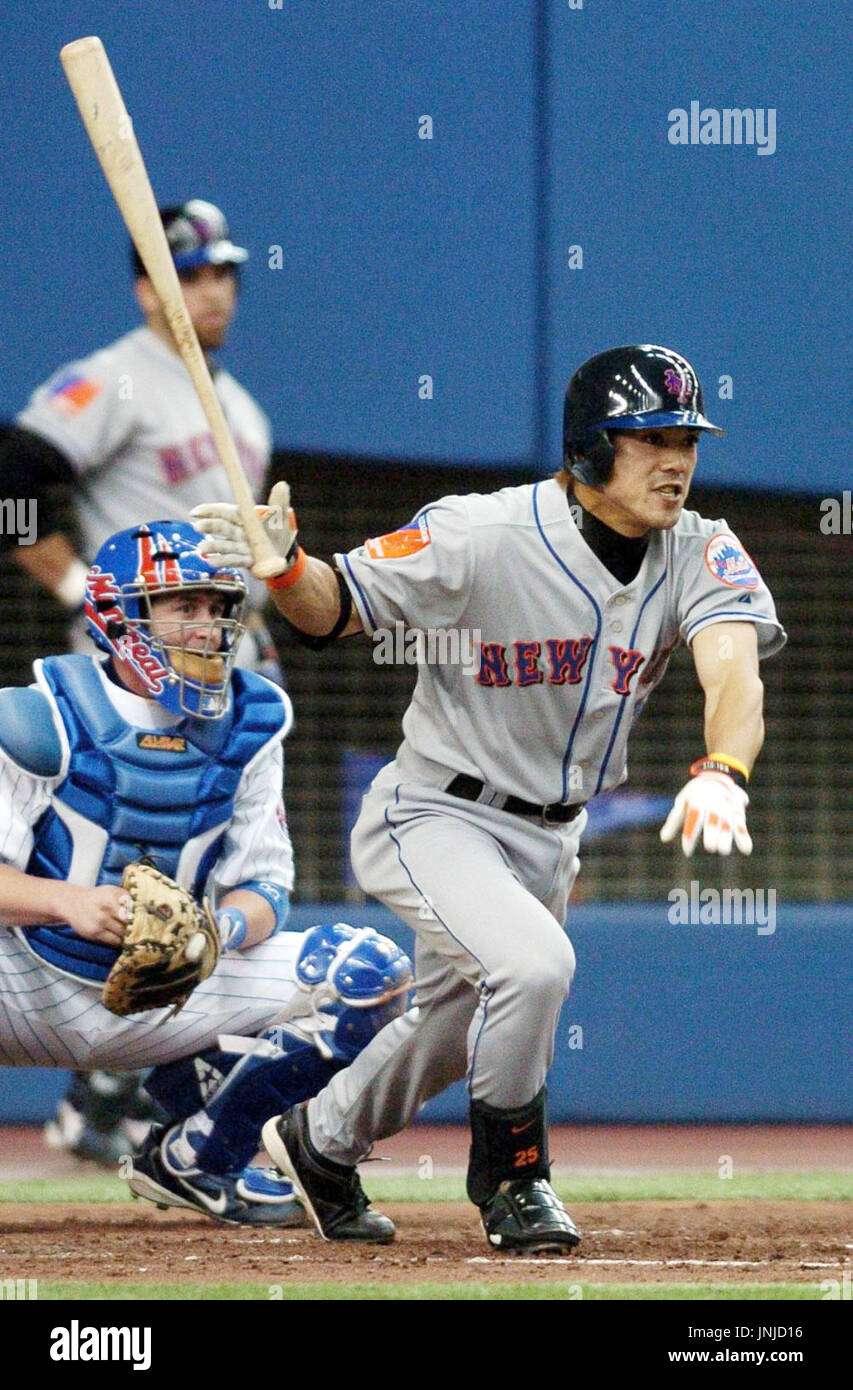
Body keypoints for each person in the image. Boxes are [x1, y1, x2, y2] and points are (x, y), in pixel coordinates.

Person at [192, 344, 786, 1254]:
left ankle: (320, 1139)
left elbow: (732, 672)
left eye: (686, 440)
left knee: (454, 1023)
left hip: (555, 834)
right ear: (589, 449)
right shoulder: (481, 533)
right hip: (437, 812)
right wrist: (285, 569)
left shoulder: (699, 549)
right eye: (650, 439)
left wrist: (722, 767)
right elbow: (333, 607)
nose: (676, 460)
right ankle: (514, 1180)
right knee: (535, 969)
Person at [0, 519, 413, 1229]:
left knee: (371, 970)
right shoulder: (39, 716)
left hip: (165, 995)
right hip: (28, 985)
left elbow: (267, 891)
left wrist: (214, 931)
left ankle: (201, 1158)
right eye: (182, 606)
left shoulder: (252, 720)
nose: (207, 626)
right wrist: (66, 902)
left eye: (219, 607)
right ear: (119, 615)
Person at [0, 199, 284, 1161]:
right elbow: (9, 482)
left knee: (202, 892)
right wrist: (77, 581)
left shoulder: (240, 412)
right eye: (189, 271)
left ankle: (112, 1092)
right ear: (147, 284)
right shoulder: (115, 377)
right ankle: (103, 1078)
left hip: (227, 673)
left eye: (223, 273)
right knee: (105, 871)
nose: (210, 290)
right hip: (128, 678)